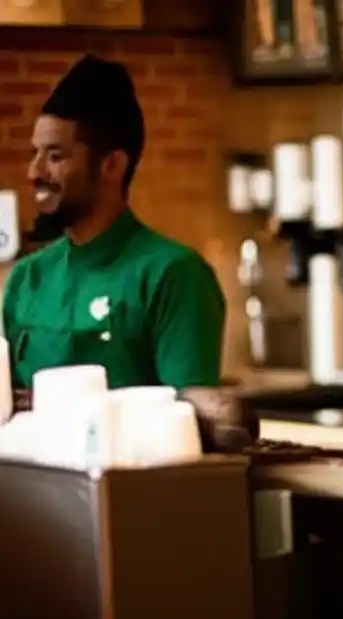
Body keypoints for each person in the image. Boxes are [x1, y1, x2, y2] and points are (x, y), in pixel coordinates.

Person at [4, 54, 226, 399]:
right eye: (35, 153)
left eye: (55, 156)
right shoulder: (26, 279)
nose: (34, 173)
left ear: (112, 165)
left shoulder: (173, 274)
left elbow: (192, 424)